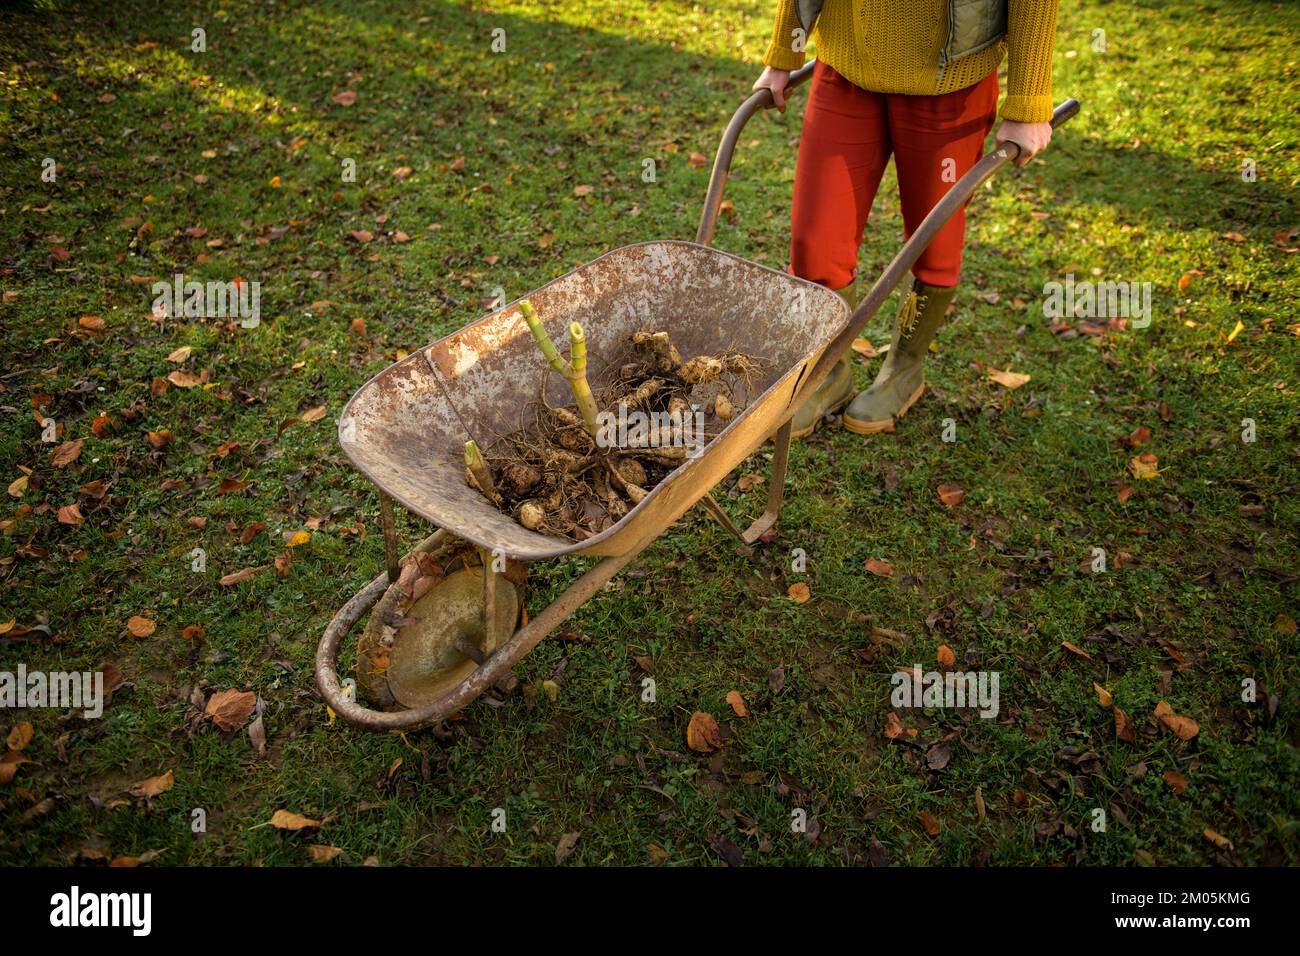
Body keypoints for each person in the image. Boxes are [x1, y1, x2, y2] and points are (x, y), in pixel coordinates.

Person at [755, 0, 1060, 436]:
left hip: (950, 79)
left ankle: (904, 368)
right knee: (815, 240)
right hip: (846, 65)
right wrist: (785, 53)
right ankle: (828, 371)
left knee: (935, 239)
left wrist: (1029, 100)